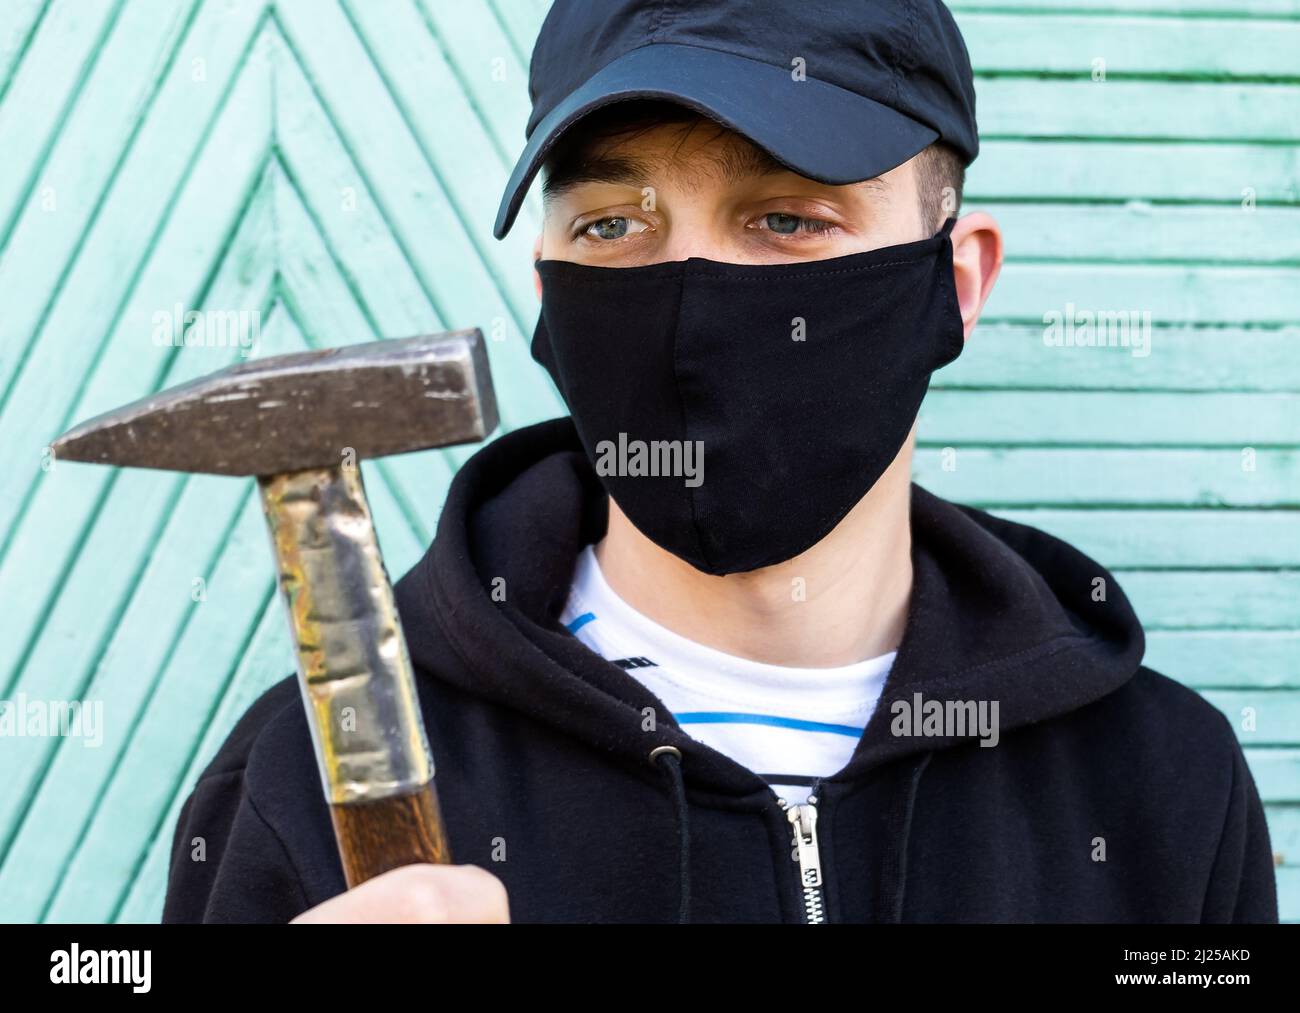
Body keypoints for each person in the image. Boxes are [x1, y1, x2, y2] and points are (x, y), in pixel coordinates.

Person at [163, 0, 1277, 924]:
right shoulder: (304, 788)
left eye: (787, 218)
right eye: (612, 226)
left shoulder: (1156, 785)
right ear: (546, 286)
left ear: (956, 282)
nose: (689, 300)